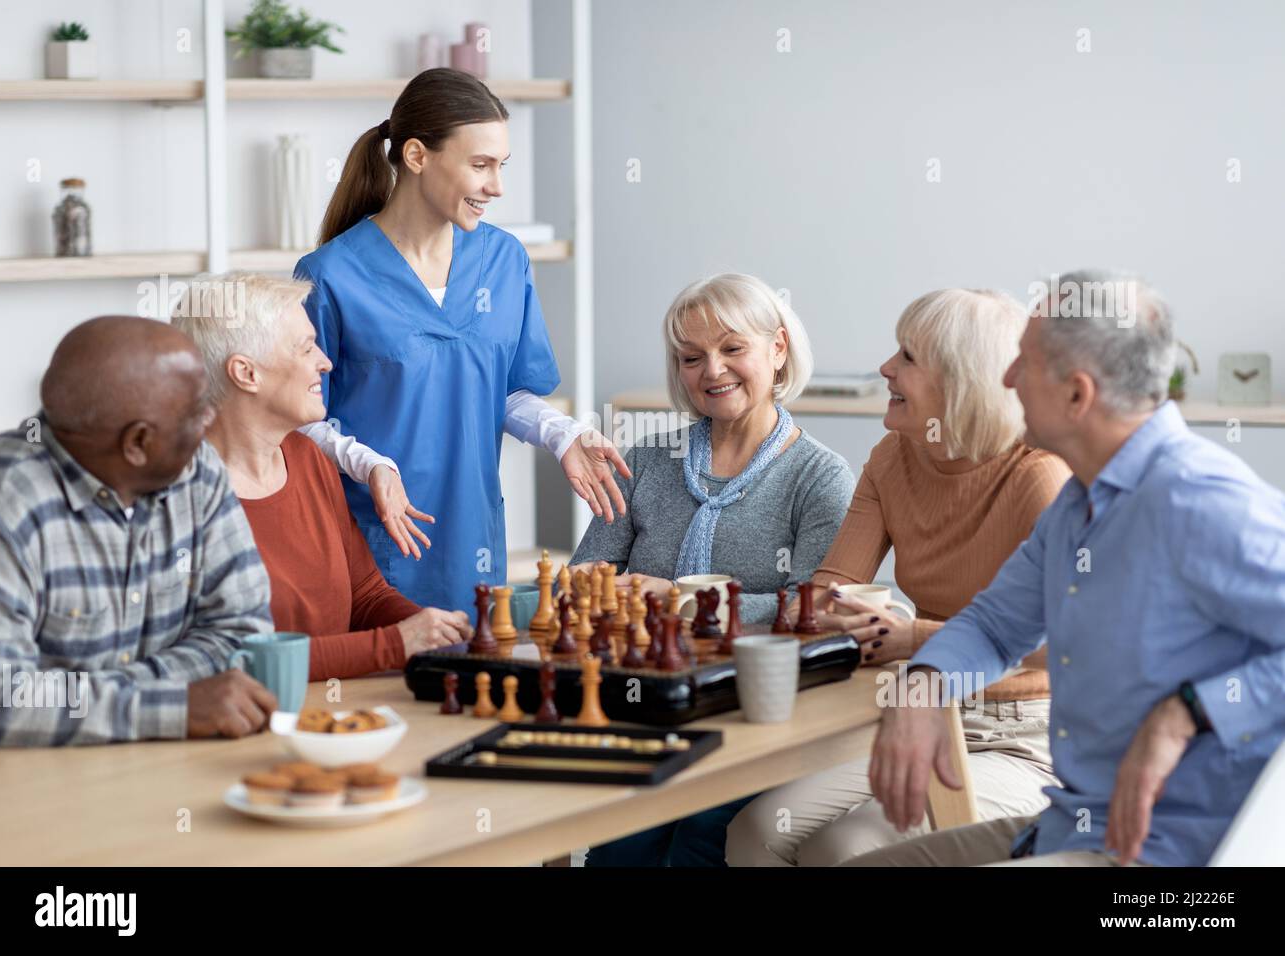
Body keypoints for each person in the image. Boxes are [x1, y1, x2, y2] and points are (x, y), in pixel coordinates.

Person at [850, 270, 1285, 867]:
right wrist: (924, 684)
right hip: (1068, 825)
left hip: (1168, 858)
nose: (1004, 379)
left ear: (1078, 395)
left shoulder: (1198, 498)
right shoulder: (1078, 503)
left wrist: (1186, 711)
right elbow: (997, 626)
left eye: (1022, 363)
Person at [726, 289, 1070, 865]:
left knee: (844, 849)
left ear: (962, 381)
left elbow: (1067, 643)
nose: (885, 367)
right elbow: (828, 590)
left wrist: (914, 637)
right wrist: (827, 611)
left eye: (908, 357)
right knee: (756, 829)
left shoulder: (1038, 475)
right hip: (921, 711)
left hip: (1027, 735)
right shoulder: (893, 456)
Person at [295, 68, 630, 619]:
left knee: (469, 688)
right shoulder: (331, 275)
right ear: (418, 155)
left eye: (501, 167)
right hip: (373, 537)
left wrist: (560, 433)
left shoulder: (504, 260)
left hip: (472, 538)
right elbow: (298, 419)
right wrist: (369, 464)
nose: (496, 186)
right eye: (480, 165)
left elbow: (500, 388)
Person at [575, 272, 856, 866]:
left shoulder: (821, 476)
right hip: (644, 700)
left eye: (733, 349)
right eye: (691, 357)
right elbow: (588, 573)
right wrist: (597, 591)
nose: (712, 371)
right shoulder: (650, 458)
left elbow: (814, 610)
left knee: (701, 841)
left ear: (777, 349)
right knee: (620, 843)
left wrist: (682, 601)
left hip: (757, 713)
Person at [0, 317, 277, 746]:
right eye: (197, 411)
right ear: (138, 443)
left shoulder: (198, 470)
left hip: (165, 769)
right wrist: (172, 704)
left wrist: (102, 697)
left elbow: (244, 632)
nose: (210, 419)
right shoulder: (2, 503)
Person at [172, 273, 474, 681]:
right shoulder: (178, 497)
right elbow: (240, 660)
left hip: (335, 719)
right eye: (305, 347)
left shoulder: (309, 458)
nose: (325, 361)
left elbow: (365, 596)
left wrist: (436, 632)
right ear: (246, 373)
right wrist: (397, 644)